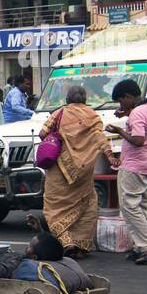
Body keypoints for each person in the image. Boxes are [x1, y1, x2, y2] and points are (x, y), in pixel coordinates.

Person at [36, 85, 116, 258]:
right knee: (87, 205)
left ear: (67, 99)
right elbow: (99, 137)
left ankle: (66, 242)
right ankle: (81, 246)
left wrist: (60, 138)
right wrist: (110, 156)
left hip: (59, 169)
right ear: (85, 99)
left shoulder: (59, 113)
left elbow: (43, 133)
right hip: (84, 171)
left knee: (53, 208)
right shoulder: (93, 115)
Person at [106, 78, 147, 265]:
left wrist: (119, 130)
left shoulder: (137, 113)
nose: (121, 105)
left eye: (122, 101)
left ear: (128, 96)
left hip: (134, 166)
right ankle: (140, 246)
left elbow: (138, 140)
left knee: (130, 207)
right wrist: (126, 115)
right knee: (143, 205)